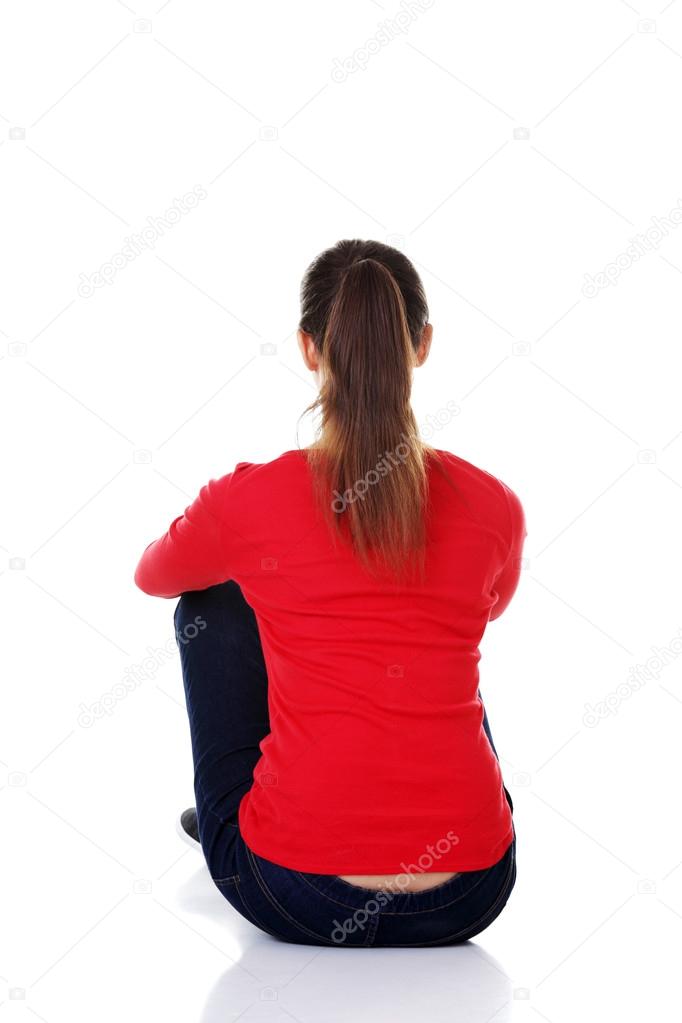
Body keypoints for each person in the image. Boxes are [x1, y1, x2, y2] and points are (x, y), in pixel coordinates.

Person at [134, 238, 527, 947]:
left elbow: (153, 576)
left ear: (309, 348)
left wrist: (254, 558)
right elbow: (493, 606)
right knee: (440, 637)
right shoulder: (493, 502)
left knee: (209, 603)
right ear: (423, 345)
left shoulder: (247, 498)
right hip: (472, 890)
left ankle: (247, 811)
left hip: (294, 891)